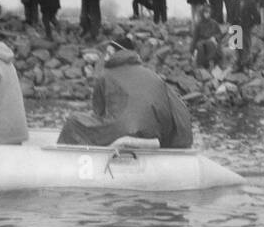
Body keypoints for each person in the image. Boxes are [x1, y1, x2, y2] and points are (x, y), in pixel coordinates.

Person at [58, 33, 192, 148]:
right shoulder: (152, 75)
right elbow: (174, 109)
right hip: (152, 134)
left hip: (121, 131)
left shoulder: (105, 75)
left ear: (119, 54)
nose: (105, 58)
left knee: (73, 122)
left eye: (109, 53)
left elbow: (98, 113)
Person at [232, 0, 262, 72]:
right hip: (236, 26)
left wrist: (252, 24)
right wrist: (231, 22)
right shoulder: (236, 1)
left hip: (246, 27)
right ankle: (238, 64)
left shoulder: (251, 2)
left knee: (246, 45)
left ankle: (246, 64)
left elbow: (257, 16)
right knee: (237, 45)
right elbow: (231, 13)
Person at [190, 6, 225, 70]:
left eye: (209, 12)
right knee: (200, 46)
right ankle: (201, 66)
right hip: (201, 41)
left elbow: (219, 34)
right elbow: (195, 37)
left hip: (211, 41)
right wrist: (192, 50)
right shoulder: (199, 24)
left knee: (211, 44)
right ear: (202, 13)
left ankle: (212, 64)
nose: (207, 14)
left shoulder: (214, 23)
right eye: (206, 12)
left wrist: (214, 37)